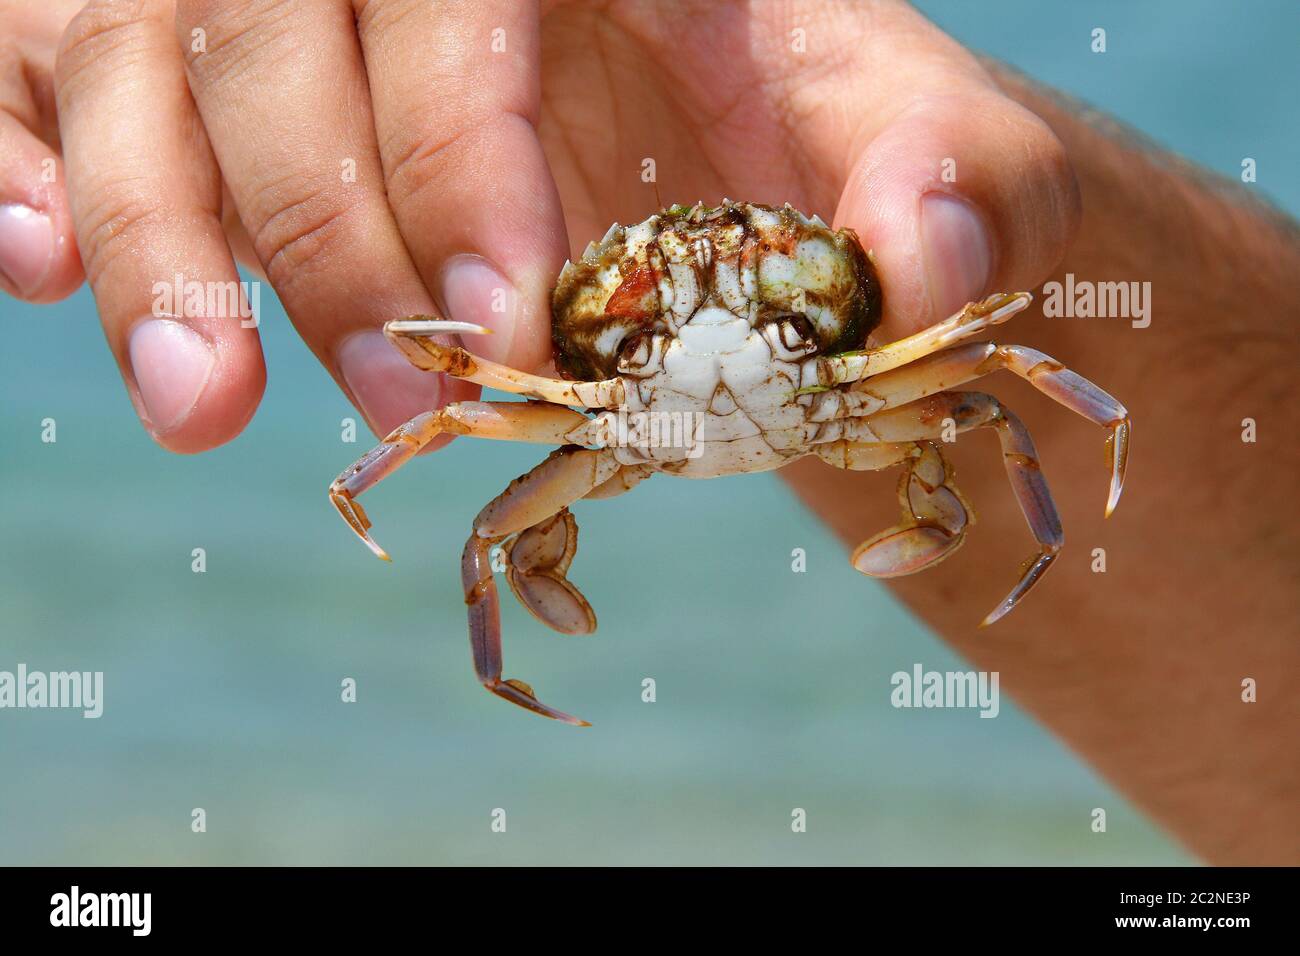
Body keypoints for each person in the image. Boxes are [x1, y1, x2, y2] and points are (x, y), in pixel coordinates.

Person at [1, 0, 1296, 864]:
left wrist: (1069, 410)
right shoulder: (576, 372)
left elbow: (999, 345)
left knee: (990, 387)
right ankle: (519, 679)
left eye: (750, 255)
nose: (708, 280)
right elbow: (447, 400)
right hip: (626, 413)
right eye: (664, 263)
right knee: (493, 533)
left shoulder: (881, 344)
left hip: (809, 398)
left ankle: (1006, 540)